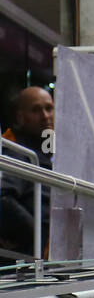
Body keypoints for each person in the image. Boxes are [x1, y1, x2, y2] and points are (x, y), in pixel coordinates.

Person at [1, 86, 55, 257]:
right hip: (28, 266)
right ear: (20, 117)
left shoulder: (44, 151)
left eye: (49, 108)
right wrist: (36, 236)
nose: (45, 116)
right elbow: (3, 198)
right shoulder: (18, 153)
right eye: (36, 110)